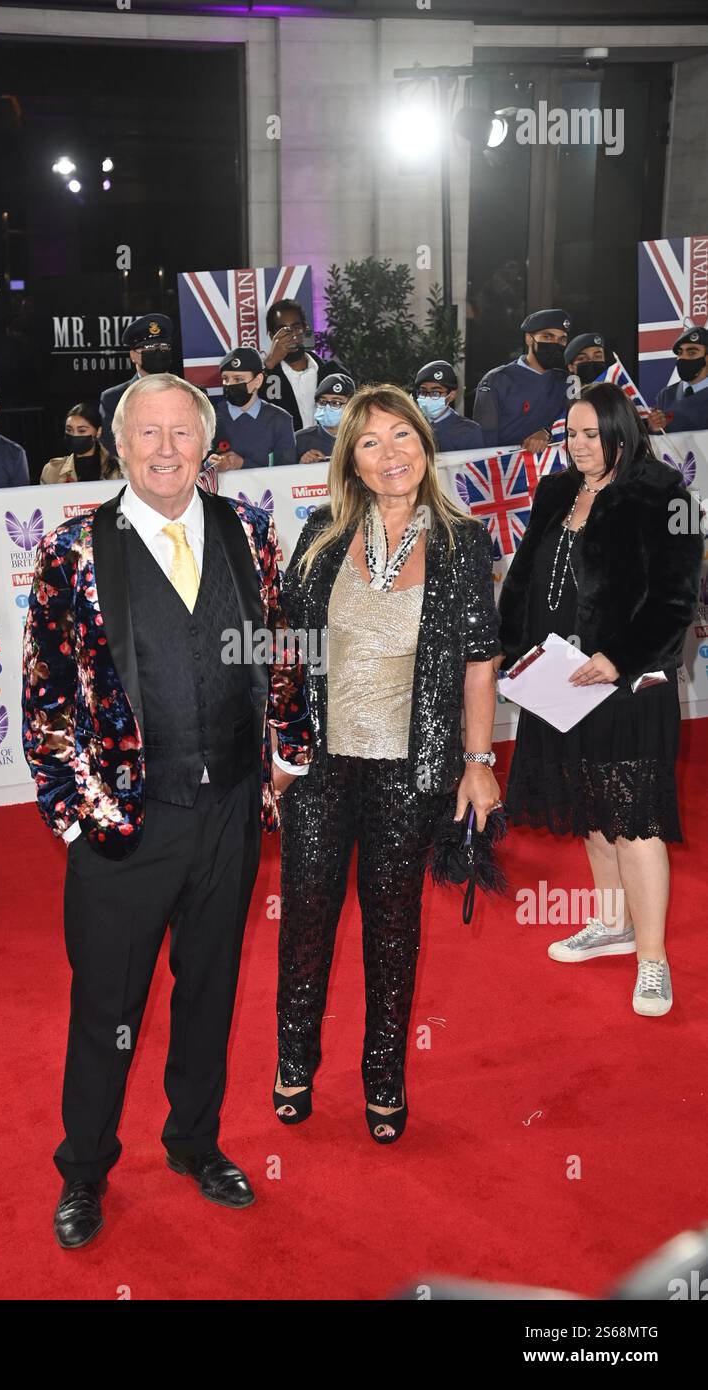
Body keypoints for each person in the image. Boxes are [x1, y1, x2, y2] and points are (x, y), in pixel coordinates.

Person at [22, 372, 312, 1248]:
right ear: (119, 444)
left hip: (228, 808)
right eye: (146, 434)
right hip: (124, 824)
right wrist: (78, 813)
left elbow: (284, 652)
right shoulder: (75, 551)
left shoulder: (249, 533)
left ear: (205, 442)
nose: (165, 450)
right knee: (107, 1002)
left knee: (211, 990)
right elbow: (46, 695)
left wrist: (287, 753)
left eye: (181, 433)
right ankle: (84, 1168)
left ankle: (193, 1141)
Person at [274, 384, 501, 1144]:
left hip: (413, 765)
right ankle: (294, 1062)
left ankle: (383, 1074)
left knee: (392, 925)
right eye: (370, 443)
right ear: (353, 462)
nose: (390, 453)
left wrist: (478, 761)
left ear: (425, 447)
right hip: (321, 767)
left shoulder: (463, 540)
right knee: (305, 912)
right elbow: (291, 650)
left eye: (402, 436)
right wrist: (281, 748)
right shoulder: (319, 534)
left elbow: (479, 660)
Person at [497, 383, 702, 1017]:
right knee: (591, 811)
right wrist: (510, 651)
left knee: (635, 822)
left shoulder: (662, 492)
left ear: (621, 432)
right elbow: (528, 574)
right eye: (571, 434)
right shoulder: (556, 490)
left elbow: (677, 599)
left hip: (626, 686)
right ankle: (611, 924)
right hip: (556, 682)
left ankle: (652, 959)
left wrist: (620, 658)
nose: (579, 446)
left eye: (592, 435)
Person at [472, 309, 571, 450]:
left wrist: (547, 432)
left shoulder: (567, 381)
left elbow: (574, 422)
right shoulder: (497, 380)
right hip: (508, 468)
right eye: (547, 337)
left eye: (562, 339)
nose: (555, 344)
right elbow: (484, 440)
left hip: (553, 468)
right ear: (529, 339)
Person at [261, 298, 344, 432]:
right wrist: (270, 363)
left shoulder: (333, 374)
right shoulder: (264, 379)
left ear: (306, 329)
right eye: (283, 330)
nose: (292, 336)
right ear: (272, 337)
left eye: (296, 327)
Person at [208, 347, 296, 470]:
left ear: (258, 381)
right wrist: (209, 464)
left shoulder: (279, 420)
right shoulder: (210, 417)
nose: (230, 384)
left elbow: (287, 472)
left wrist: (242, 465)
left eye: (238, 379)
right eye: (225, 379)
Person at [99, 313, 175, 455]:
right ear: (133, 355)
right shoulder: (113, 399)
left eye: (163, 346)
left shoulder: (192, 393)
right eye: (150, 348)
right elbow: (112, 443)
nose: (158, 352)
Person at [40, 402, 122, 484]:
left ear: (98, 432)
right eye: (69, 430)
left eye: (82, 431)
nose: (74, 435)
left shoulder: (118, 468)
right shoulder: (52, 471)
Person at [647, 327, 708, 435]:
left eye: (691, 353)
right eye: (680, 353)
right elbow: (658, 442)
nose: (682, 358)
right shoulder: (665, 396)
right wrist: (654, 428)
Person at [412, 360, 483, 452]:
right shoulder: (412, 425)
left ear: (451, 395)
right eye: (423, 392)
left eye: (435, 393)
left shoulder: (469, 431)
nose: (427, 397)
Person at [295, 373, 355, 463]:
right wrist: (301, 466)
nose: (327, 407)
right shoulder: (299, 440)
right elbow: (279, 474)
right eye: (323, 402)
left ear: (352, 405)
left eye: (336, 403)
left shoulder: (363, 438)